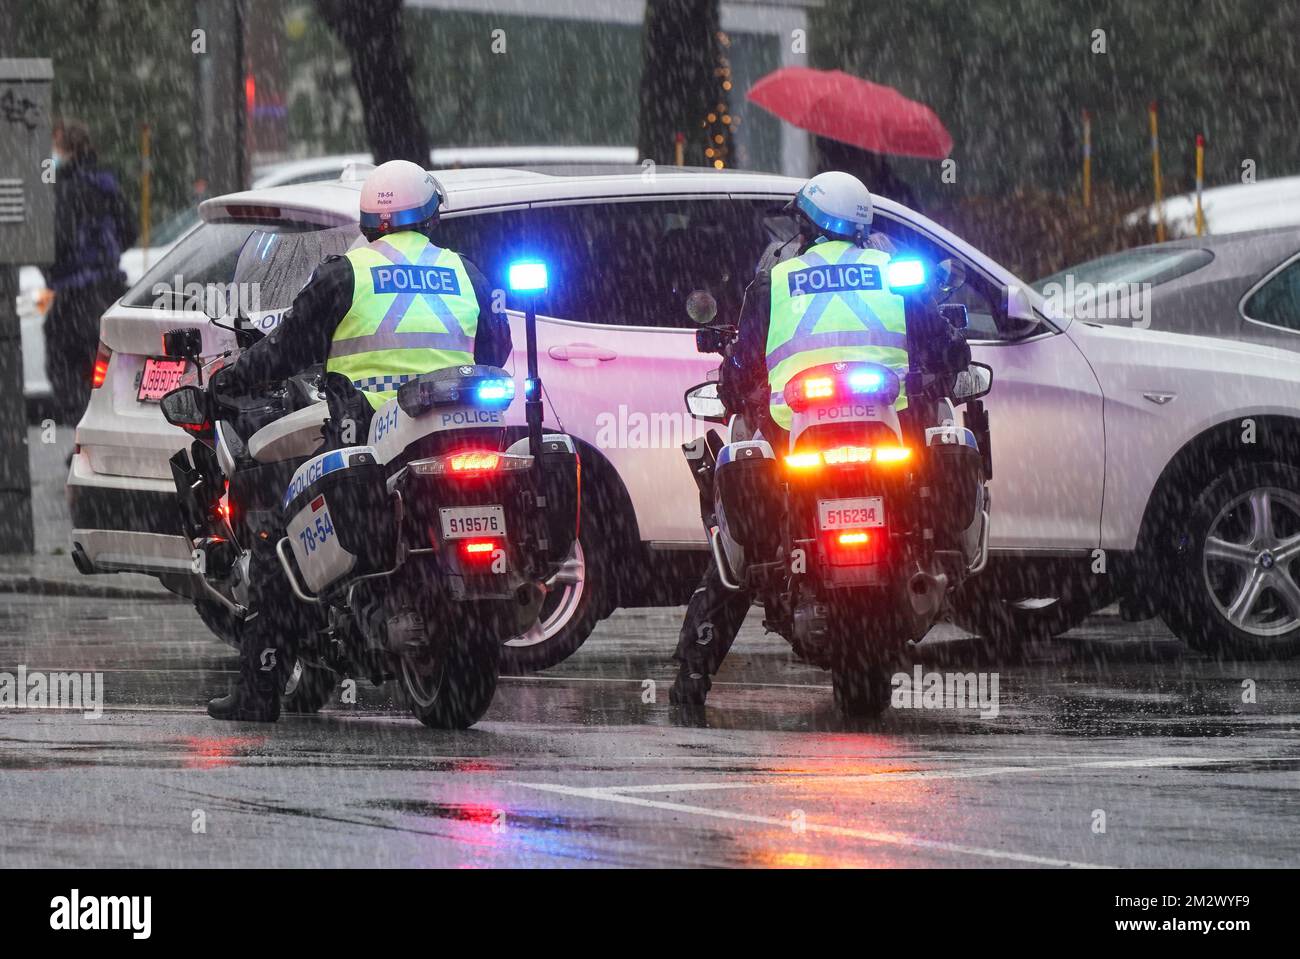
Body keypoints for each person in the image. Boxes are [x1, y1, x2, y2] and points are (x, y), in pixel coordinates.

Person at [205, 159, 511, 721]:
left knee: (279, 534)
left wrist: (228, 380)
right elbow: (498, 347)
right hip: (457, 433)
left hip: (369, 437)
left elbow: (284, 352)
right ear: (431, 216)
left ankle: (258, 690)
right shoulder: (466, 271)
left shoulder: (345, 274)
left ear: (370, 220)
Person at [671, 171, 925, 707]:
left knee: (742, 545)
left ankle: (692, 681)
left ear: (807, 227)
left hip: (797, 436)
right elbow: (942, 347)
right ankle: (926, 565)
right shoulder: (898, 273)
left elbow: (740, 371)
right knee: (928, 498)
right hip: (887, 432)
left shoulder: (777, 278)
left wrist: (740, 390)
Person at [41, 119, 137, 425]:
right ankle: (110, 424)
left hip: (75, 295)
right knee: (107, 364)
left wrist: (51, 270)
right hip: (110, 289)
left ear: (65, 149)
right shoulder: (104, 183)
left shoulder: (65, 189)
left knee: (64, 361)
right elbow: (129, 230)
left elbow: (57, 242)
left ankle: (83, 427)